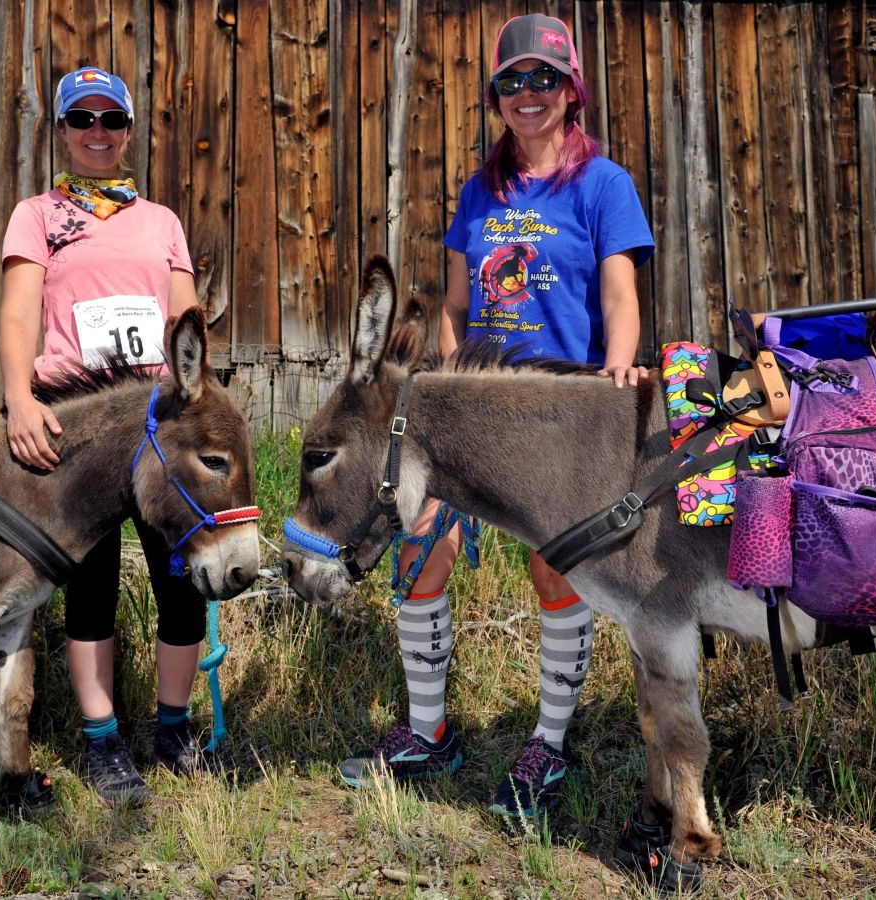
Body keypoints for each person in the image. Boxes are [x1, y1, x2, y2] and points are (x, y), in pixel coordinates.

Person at [337, 14, 655, 819]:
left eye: (543, 79)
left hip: (561, 417)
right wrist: (438, 395)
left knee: (557, 569)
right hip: (473, 416)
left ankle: (548, 744)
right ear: (496, 96)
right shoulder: (480, 193)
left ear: (570, 88)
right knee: (422, 545)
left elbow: (620, 295)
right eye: (511, 82)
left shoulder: (603, 186)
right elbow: (453, 305)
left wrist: (620, 365)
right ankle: (427, 731)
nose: (527, 95)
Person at [0, 65, 207, 806]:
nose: (96, 133)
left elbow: (187, 322)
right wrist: (19, 398)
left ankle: (174, 730)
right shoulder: (37, 215)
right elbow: (20, 314)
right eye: (81, 120)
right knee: (91, 584)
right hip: (77, 419)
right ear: (61, 131)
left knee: (181, 574)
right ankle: (102, 740)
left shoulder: (160, 221)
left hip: (153, 418)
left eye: (109, 121)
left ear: (127, 132)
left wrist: (196, 400)